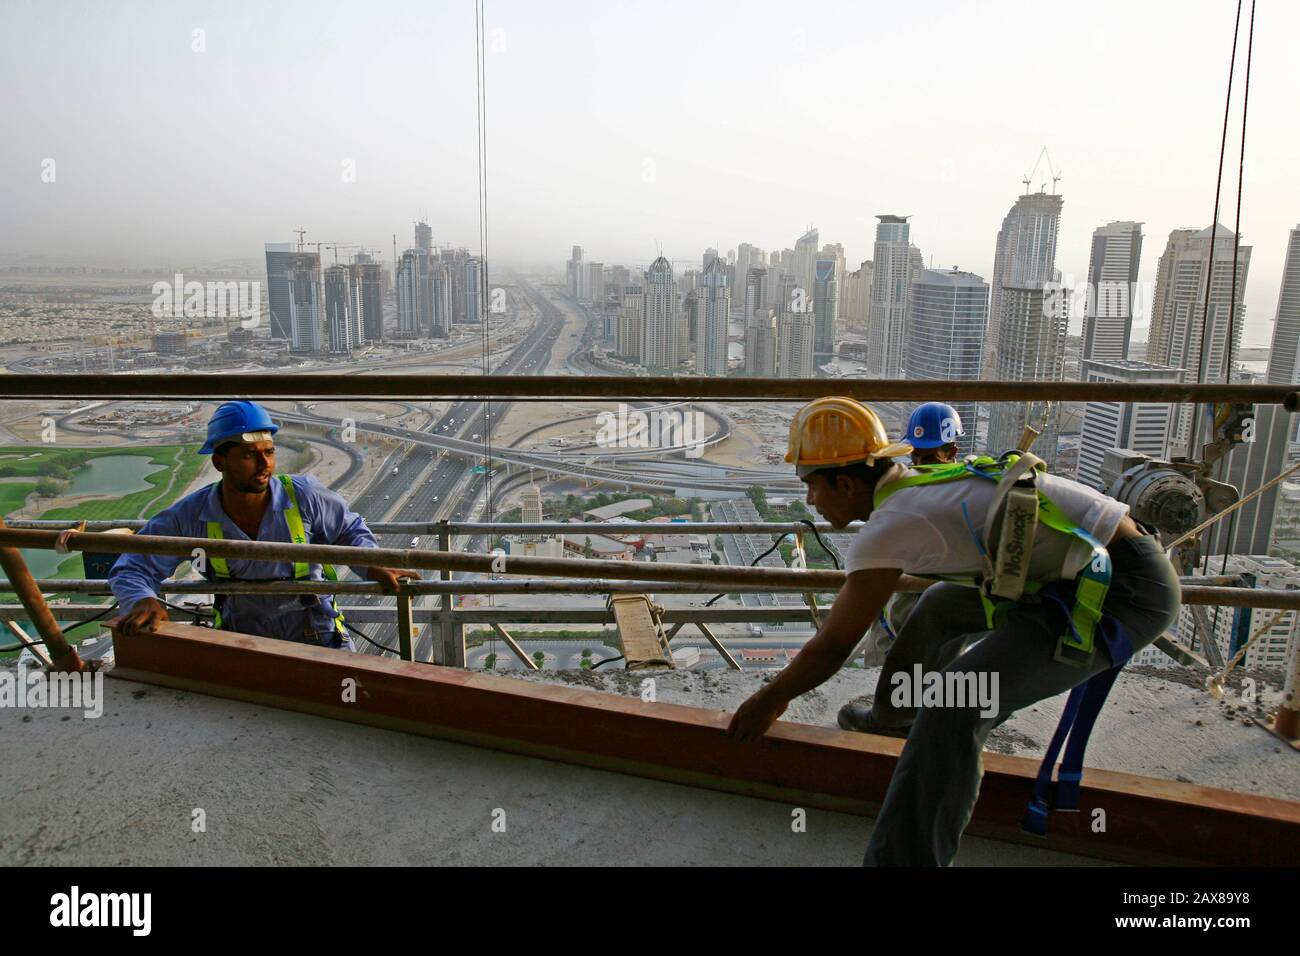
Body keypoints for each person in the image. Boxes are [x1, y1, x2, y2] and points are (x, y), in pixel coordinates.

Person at [726, 396, 1181, 866]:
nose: (809, 500)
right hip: (1078, 574)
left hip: (1122, 593)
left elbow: (834, 645)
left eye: (810, 486)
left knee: (955, 703)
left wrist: (770, 698)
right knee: (939, 605)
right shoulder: (914, 484)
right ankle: (897, 719)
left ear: (843, 483)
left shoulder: (889, 525)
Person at [111, 400, 416, 648]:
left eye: (269, 452)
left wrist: (372, 563)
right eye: (249, 455)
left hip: (317, 638)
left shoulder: (303, 496)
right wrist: (142, 599)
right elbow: (133, 566)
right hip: (244, 642)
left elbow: (349, 531)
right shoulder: (191, 516)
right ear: (220, 462)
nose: (264, 464)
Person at [839, 401, 966, 682]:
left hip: (940, 591)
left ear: (952, 452)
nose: (919, 465)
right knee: (887, 652)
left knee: (932, 661)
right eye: (915, 457)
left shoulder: (964, 489)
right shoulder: (911, 490)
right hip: (904, 595)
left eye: (929, 457)